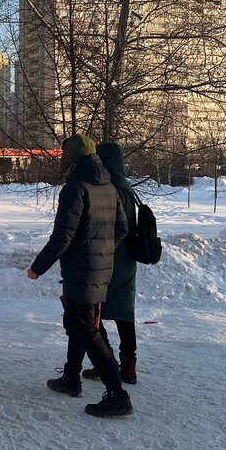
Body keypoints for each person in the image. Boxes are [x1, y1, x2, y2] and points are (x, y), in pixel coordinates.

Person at [26, 134, 133, 417]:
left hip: (81, 271)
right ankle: (71, 379)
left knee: (88, 330)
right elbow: (121, 229)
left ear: (71, 161)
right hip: (101, 270)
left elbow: (63, 237)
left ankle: (117, 394)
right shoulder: (109, 186)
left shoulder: (75, 189)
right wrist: (102, 250)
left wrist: (37, 267)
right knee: (78, 323)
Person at [80, 142, 138, 384]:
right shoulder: (127, 189)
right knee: (125, 313)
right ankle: (128, 367)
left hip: (108, 259)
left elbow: (111, 227)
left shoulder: (112, 190)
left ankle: (105, 360)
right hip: (127, 263)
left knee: (94, 309)